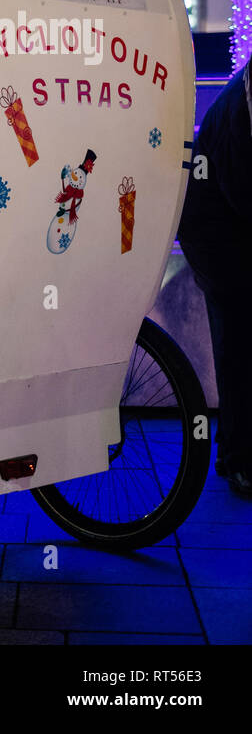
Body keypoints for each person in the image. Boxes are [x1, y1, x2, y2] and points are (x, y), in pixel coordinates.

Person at [178, 58, 252, 497]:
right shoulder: (235, 114)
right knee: (238, 338)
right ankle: (240, 460)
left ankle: (235, 450)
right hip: (214, 233)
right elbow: (242, 194)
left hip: (231, 222)